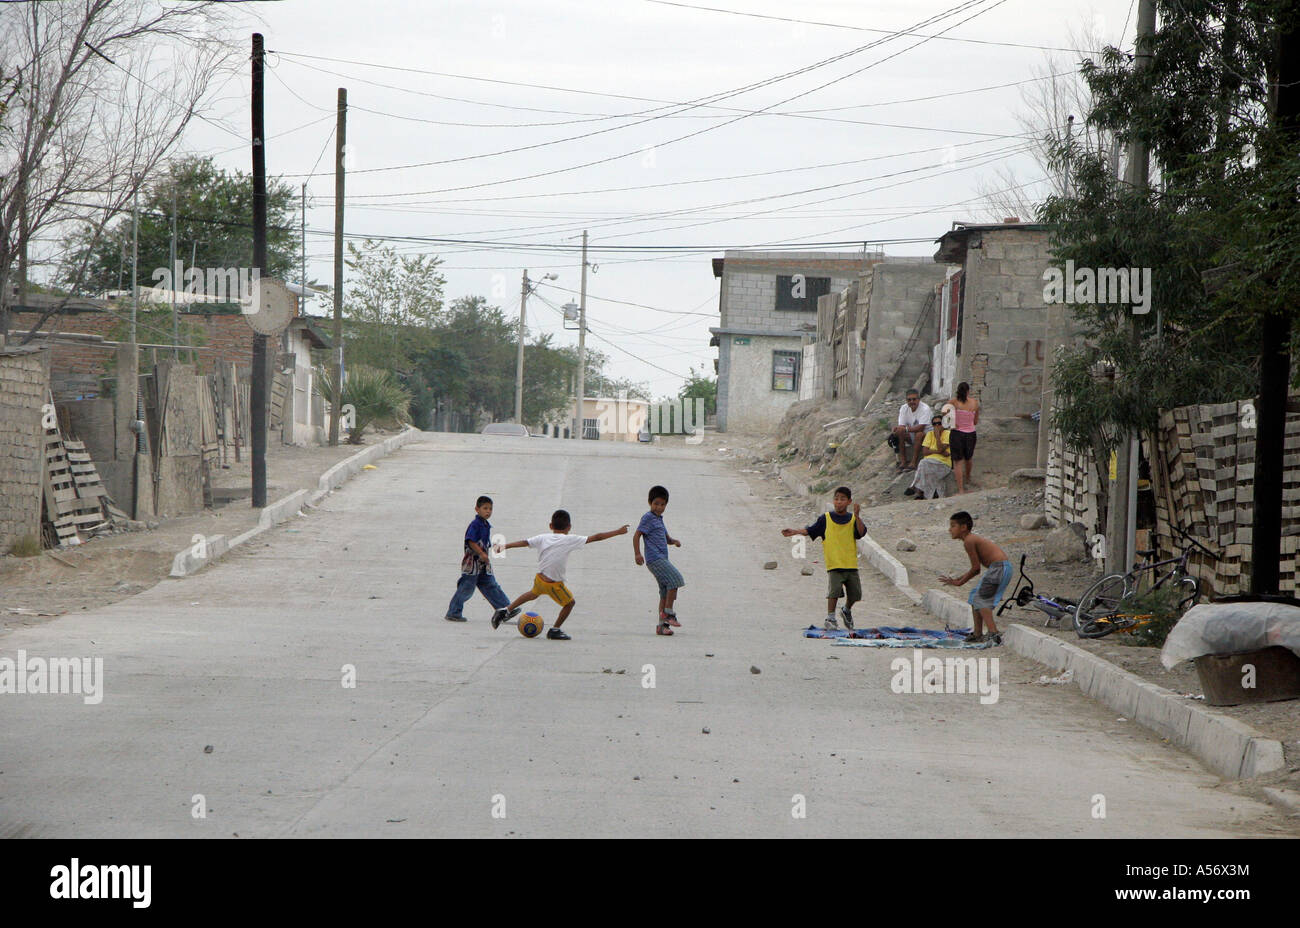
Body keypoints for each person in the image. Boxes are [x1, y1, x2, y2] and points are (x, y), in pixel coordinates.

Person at [493, 510, 628, 640]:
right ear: (569, 527)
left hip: (540, 579)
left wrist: (505, 546)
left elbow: (524, 542)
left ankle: (506, 610)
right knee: (569, 603)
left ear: (550, 526)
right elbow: (596, 537)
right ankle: (555, 630)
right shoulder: (569, 539)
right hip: (553, 584)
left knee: (533, 594)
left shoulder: (542, 537)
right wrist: (618, 532)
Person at [781, 486, 867, 630]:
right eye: (836, 499)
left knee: (856, 594)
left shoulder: (853, 519)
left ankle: (846, 610)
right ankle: (830, 617)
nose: (839, 502)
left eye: (842, 499)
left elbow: (861, 533)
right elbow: (811, 530)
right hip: (834, 563)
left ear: (849, 502)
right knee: (834, 592)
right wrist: (795, 531)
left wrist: (857, 516)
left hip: (851, 563)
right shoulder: (825, 519)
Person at [939, 511, 1011, 644]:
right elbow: (975, 568)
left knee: (981, 599)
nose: (950, 530)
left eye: (953, 526)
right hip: (999, 568)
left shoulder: (969, 541)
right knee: (974, 596)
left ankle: (993, 633)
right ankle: (977, 633)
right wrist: (958, 580)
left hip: (999, 568)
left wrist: (959, 582)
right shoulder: (970, 539)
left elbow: (976, 568)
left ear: (963, 527)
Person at [445, 495, 518, 623]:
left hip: (482, 564)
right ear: (477, 509)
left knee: (491, 585)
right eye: (485, 508)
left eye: (490, 509)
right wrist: (481, 554)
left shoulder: (485, 525)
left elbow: (483, 542)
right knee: (466, 588)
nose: (488, 511)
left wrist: (491, 550)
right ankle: (453, 612)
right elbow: (471, 541)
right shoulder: (475, 524)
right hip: (472, 563)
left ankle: (505, 609)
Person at [633, 485, 685, 636]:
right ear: (650, 502)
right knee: (676, 580)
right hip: (654, 558)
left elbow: (665, 538)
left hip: (661, 557)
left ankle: (662, 626)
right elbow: (637, 535)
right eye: (656, 503)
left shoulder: (659, 520)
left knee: (664, 592)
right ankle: (668, 613)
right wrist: (637, 554)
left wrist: (674, 541)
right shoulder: (648, 518)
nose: (659, 507)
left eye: (662, 504)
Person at [904, 414, 953, 499]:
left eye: (939, 423)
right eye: (934, 424)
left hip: (943, 463)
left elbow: (941, 449)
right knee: (925, 465)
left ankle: (916, 487)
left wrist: (938, 436)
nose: (937, 426)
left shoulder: (947, 434)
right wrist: (939, 451)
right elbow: (925, 451)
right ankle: (922, 493)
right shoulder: (929, 434)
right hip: (930, 461)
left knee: (923, 463)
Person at [948, 382, 980, 493]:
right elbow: (975, 421)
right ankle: (968, 479)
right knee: (968, 458)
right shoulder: (974, 403)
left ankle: (961, 489)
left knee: (957, 462)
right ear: (968, 391)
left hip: (957, 433)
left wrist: (953, 422)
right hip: (971, 433)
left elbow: (944, 414)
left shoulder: (953, 402)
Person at [890, 389, 932, 470]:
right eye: (909, 400)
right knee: (900, 432)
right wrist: (897, 430)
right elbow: (901, 425)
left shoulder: (925, 409)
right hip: (912, 434)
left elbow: (921, 428)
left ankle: (914, 462)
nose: (912, 401)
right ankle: (903, 461)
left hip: (926, 435)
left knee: (919, 434)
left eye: (914, 399)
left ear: (919, 399)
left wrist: (905, 429)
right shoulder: (904, 408)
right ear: (906, 400)